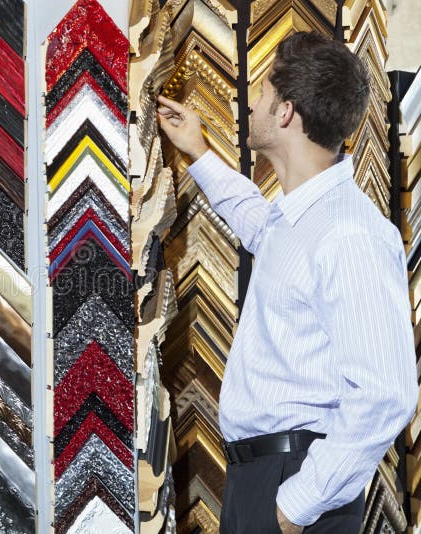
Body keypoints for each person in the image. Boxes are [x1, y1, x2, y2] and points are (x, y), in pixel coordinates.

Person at [156, 31, 418, 533]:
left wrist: (292, 507)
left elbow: (388, 393)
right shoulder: (303, 218)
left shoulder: (351, 233)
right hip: (262, 479)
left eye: (261, 94)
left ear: (285, 113)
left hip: (293, 486)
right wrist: (199, 152)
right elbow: (260, 225)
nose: (249, 102)